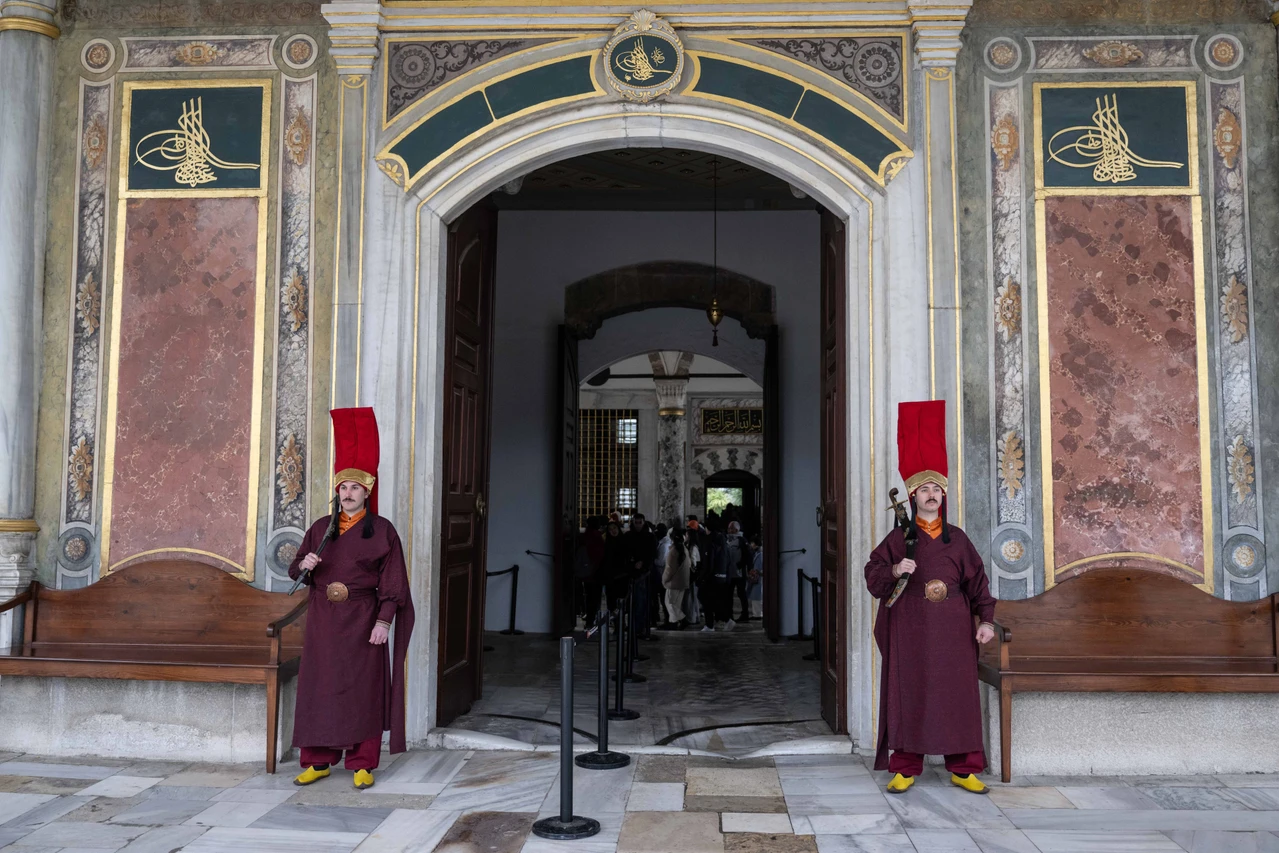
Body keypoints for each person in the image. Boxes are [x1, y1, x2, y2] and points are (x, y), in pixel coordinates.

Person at [864, 401, 996, 795]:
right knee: (910, 693)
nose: (932, 494)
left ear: (943, 495)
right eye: (925, 489)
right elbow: (873, 576)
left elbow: (978, 584)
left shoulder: (958, 540)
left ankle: (964, 768)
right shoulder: (898, 539)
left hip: (954, 633)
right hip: (911, 632)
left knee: (958, 697)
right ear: (913, 496)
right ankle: (905, 767)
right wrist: (894, 570)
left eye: (937, 489)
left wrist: (987, 622)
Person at [288, 407, 415, 791]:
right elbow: (296, 571)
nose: (347, 494)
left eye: (355, 488)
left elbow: (394, 582)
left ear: (367, 492)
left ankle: (362, 762)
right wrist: (304, 564)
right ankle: (318, 761)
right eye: (343, 488)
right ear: (337, 492)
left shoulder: (383, 531)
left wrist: (384, 621)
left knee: (363, 691)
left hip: (363, 619)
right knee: (320, 687)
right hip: (324, 620)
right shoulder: (319, 529)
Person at [661, 529, 691, 629]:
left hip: (673, 581)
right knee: (676, 603)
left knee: (670, 603)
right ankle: (673, 623)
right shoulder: (684, 549)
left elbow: (669, 569)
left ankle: (682, 619)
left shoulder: (673, 551)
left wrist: (665, 580)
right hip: (683, 580)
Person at [725, 521, 750, 621]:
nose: (729, 530)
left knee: (741, 594)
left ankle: (745, 614)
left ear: (736, 529)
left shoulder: (742, 540)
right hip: (729, 573)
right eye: (728, 528)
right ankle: (729, 615)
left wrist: (740, 565)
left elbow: (747, 555)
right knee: (728, 595)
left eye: (731, 528)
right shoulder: (727, 540)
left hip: (739, 573)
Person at [745, 536, 763, 620]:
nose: (751, 544)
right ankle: (756, 613)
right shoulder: (758, 553)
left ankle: (757, 614)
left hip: (758, 576)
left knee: (757, 596)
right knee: (756, 595)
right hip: (757, 576)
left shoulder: (759, 554)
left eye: (752, 543)